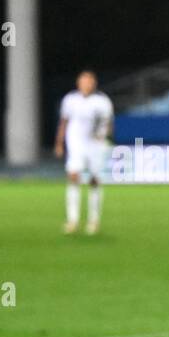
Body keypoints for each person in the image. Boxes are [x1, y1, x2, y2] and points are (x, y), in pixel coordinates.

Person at [54, 70, 113, 235]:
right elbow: (64, 122)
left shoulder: (102, 101)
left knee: (94, 179)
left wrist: (104, 135)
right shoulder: (70, 100)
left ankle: (94, 220)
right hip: (76, 143)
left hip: (95, 145)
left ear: (94, 83)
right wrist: (59, 143)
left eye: (89, 81)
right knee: (73, 176)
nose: (86, 84)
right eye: (83, 81)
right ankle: (72, 220)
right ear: (78, 83)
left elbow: (108, 123)